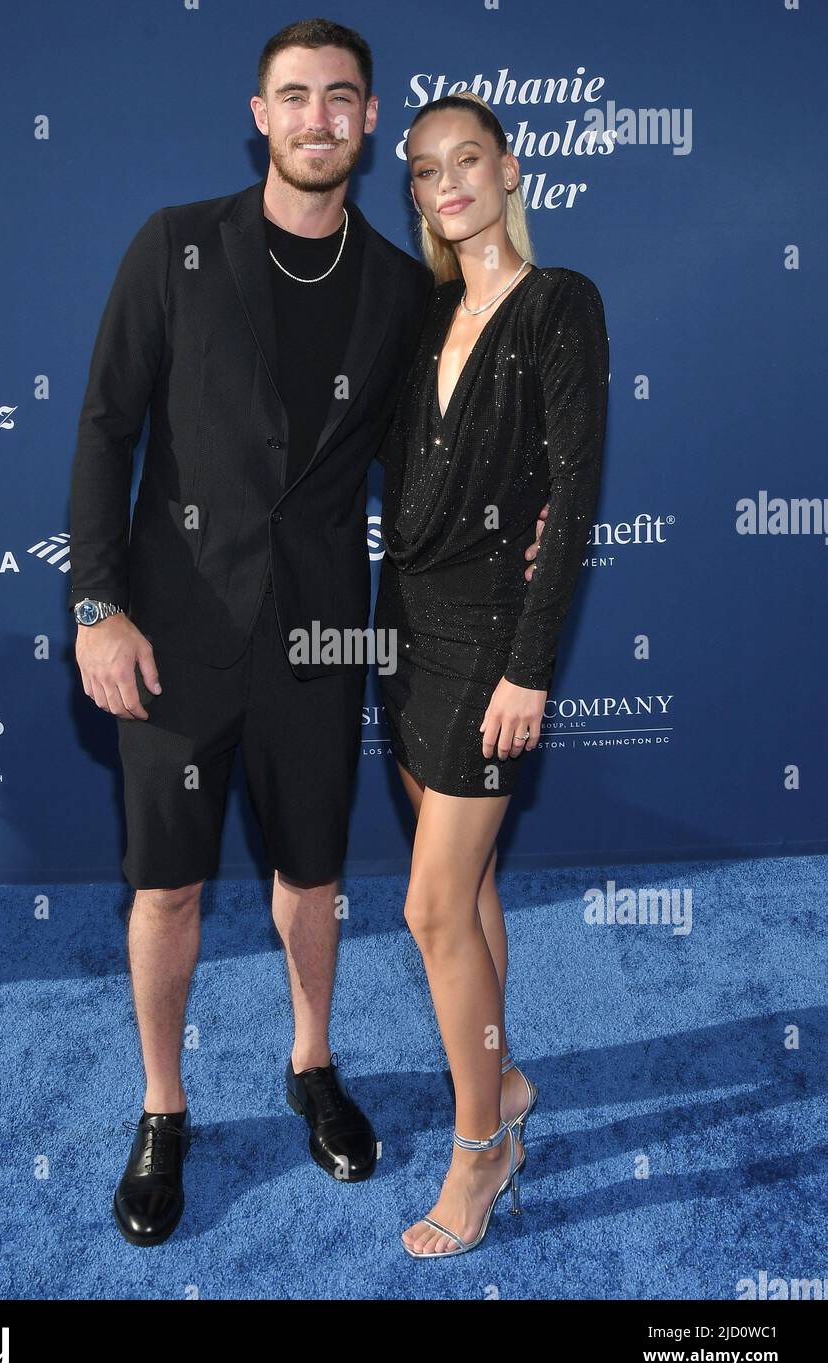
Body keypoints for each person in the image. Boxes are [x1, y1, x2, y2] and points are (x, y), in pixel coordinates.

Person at [68, 19, 552, 1247]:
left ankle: (312, 1062)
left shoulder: (399, 289)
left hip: (326, 644)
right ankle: (165, 1107)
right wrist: (95, 603)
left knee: (314, 881)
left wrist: (534, 522)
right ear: (261, 113)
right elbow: (103, 430)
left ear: (371, 121)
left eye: (342, 99)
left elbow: (442, 452)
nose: (318, 118)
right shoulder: (174, 247)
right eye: (297, 97)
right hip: (170, 640)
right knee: (168, 890)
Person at [373, 91, 609, 1257]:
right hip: (403, 630)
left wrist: (530, 670)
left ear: (509, 170)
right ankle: (502, 1077)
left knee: (427, 908)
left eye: (468, 160)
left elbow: (570, 505)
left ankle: (481, 1152)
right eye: (424, 169)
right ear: (411, 190)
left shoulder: (559, 305)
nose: (447, 181)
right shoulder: (417, 316)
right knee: (465, 894)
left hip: (489, 647)